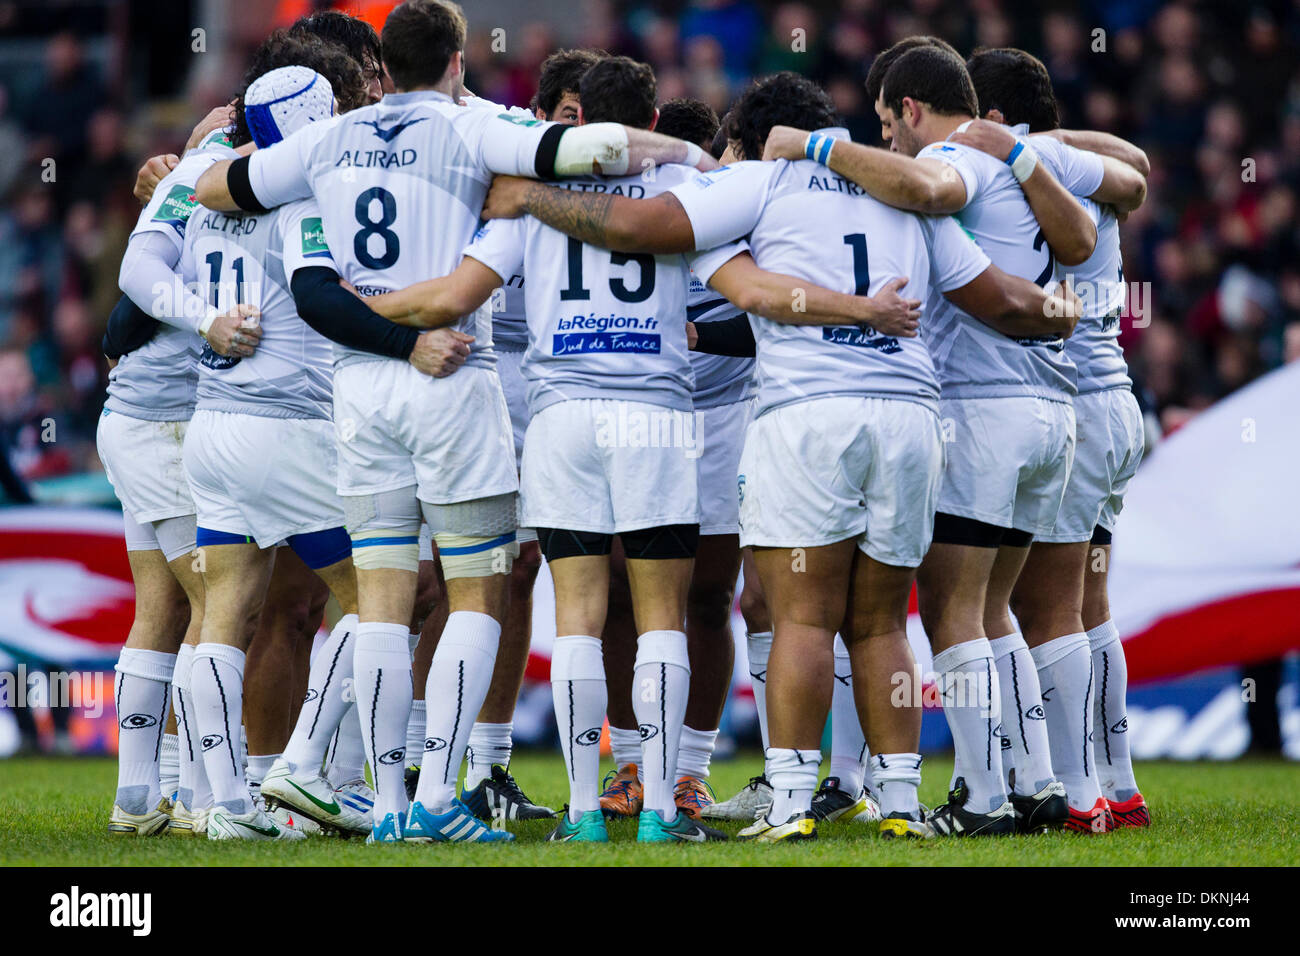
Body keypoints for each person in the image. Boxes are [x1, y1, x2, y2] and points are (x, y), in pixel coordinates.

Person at [478, 70, 1081, 841]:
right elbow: (998, 298)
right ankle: (899, 804)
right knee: (881, 623)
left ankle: (792, 800)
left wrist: (533, 197)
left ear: (756, 140)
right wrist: (1070, 310)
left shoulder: (763, 180)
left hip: (809, 414)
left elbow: (644, 227)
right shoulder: (902, 189)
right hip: (908, 414)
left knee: (800, 615)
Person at [194, 0, 718, 844]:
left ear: (381, 69)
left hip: (359, 390)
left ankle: (391, 809)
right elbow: (594, 149)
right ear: (456, 60)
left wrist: (196, 162)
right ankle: (442, 794)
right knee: (477, 590)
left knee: (382, 599)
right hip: (450, 373)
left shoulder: (328, 141)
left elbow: (227, 184)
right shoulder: (476, 130)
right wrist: (680, 147)